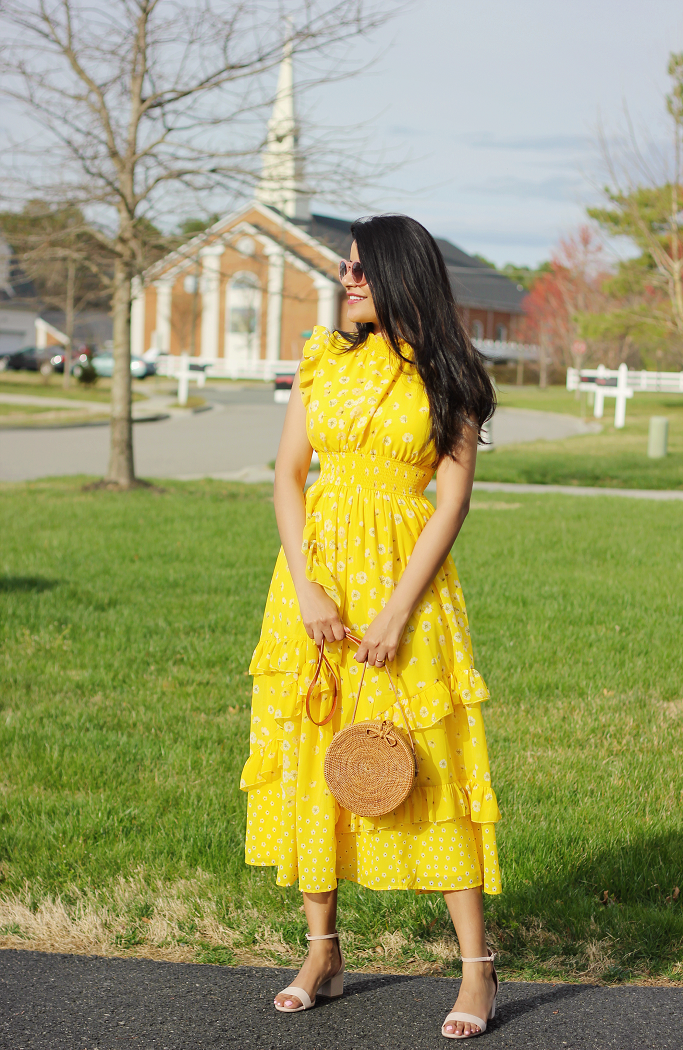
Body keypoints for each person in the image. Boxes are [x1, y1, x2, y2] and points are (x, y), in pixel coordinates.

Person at [240, 214, 501, 1039]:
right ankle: (321, 952)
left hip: (405, 591)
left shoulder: (450, 374)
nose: (346, 280)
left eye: (358, 270)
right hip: (312, 589)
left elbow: (450, 502)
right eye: (345, 270)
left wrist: (394, 610)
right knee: (313, 757)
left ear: (397, 276)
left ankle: (476, 971)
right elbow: (286, 477)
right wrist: (310, 589)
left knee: (426, 759)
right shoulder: (321, 361)